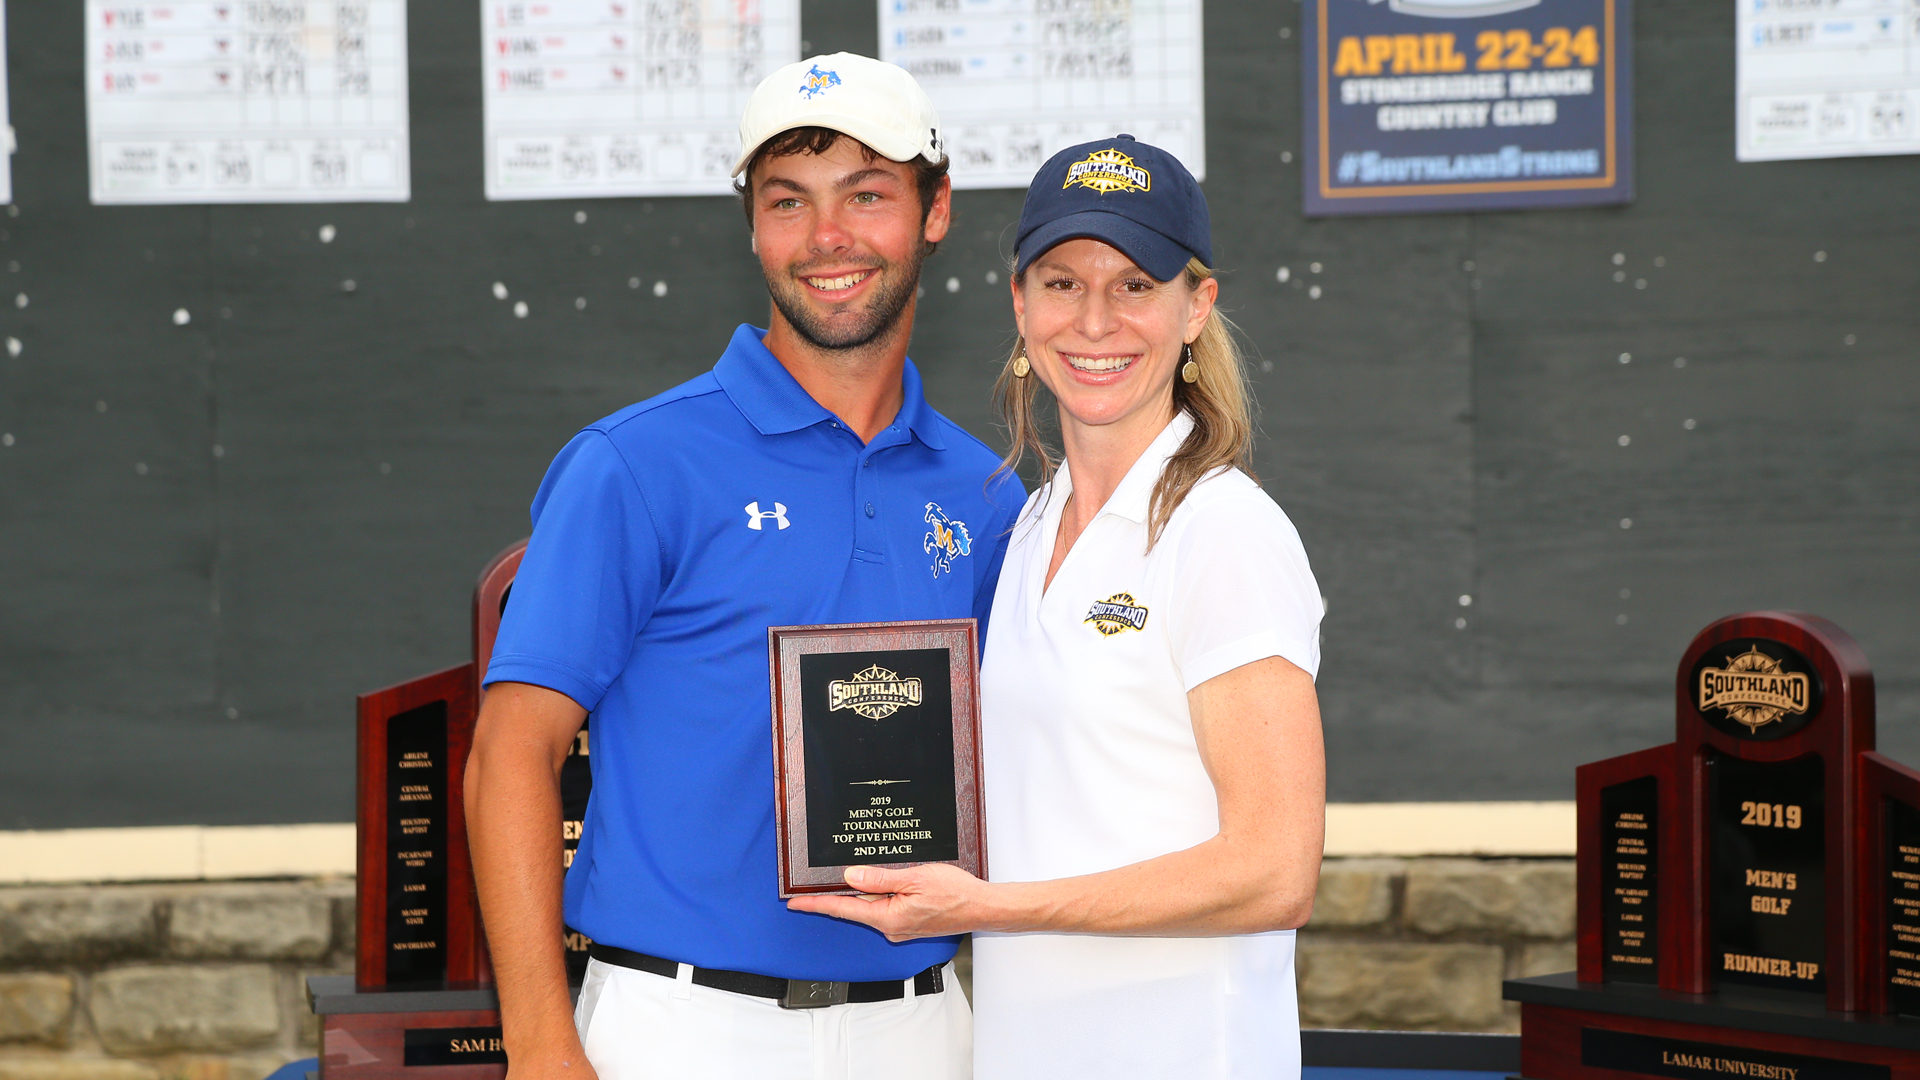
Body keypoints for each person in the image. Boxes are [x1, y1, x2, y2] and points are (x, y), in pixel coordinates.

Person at [465, 53, 1020, 1080]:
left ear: (935, 210)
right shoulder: (634, 465)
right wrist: (539, 1044)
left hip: (919, 1026)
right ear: (752, 225)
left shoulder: (985, 495)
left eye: (868, 194)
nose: (827, 240)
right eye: (787, 202)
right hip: (677, 1028)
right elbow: (511, 755)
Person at [788, 135, 1327, 1079]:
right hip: (1029, 1049)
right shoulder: (1029, 523)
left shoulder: (1223, 530)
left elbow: (1274, 872)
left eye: (1135, 285)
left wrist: (983, 908)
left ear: (1196, 307)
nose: (1095, 320)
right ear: (1020, 305)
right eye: (1063, 283)